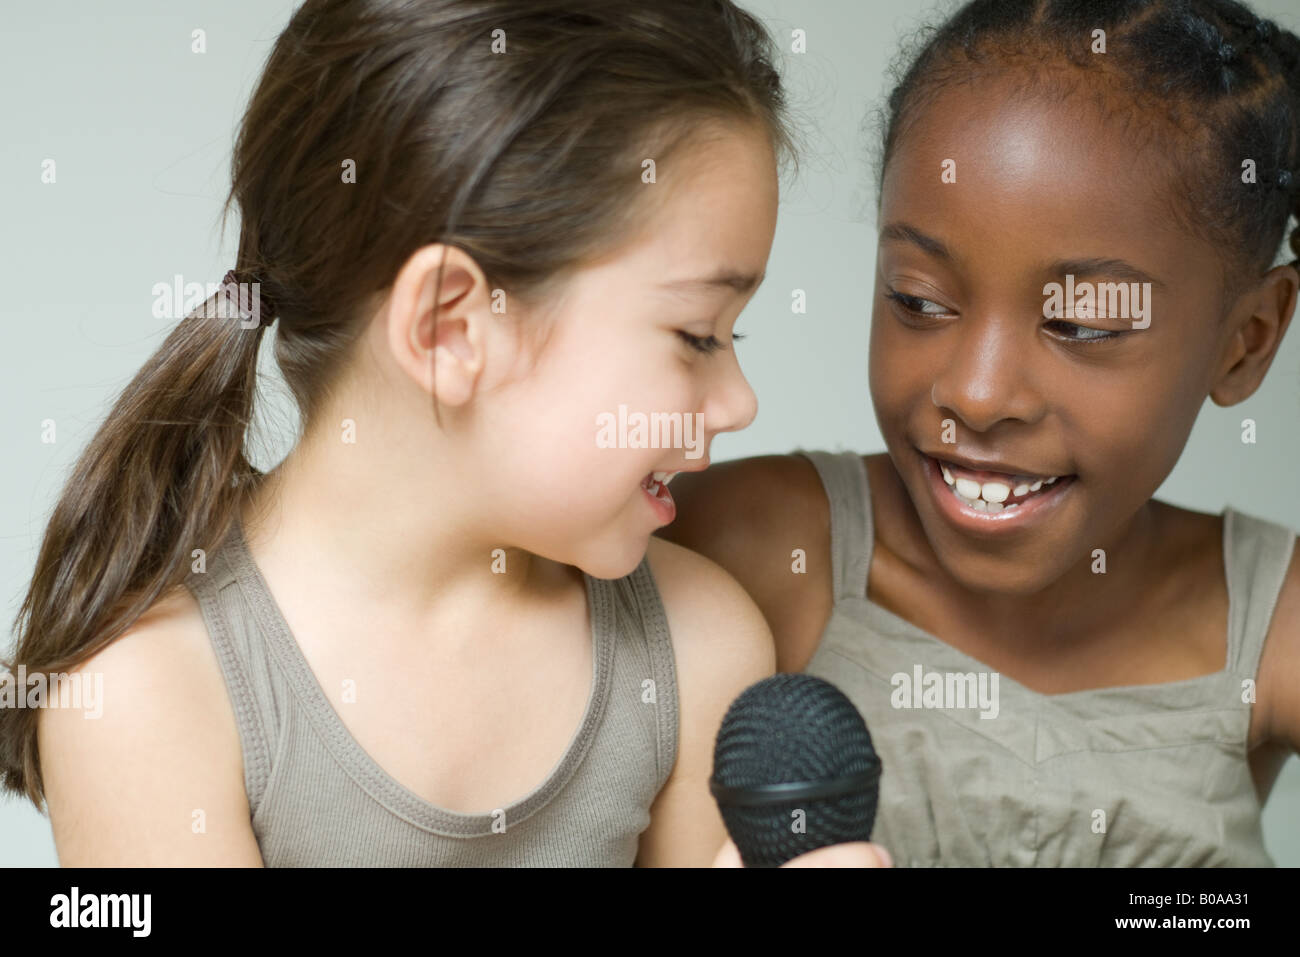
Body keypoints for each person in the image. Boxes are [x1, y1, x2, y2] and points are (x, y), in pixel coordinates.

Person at [0, 0, 890, 868]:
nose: (739, 400)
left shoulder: (700, 646)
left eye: (737, 335)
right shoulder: (146, 696)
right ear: (452, 328)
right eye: (698, 334)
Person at [660, 0, 1300, 866]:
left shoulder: (1273, 624)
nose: (978, 391)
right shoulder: (752, 545)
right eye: (919, 300)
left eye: (1081, 323)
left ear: (1247, 340)